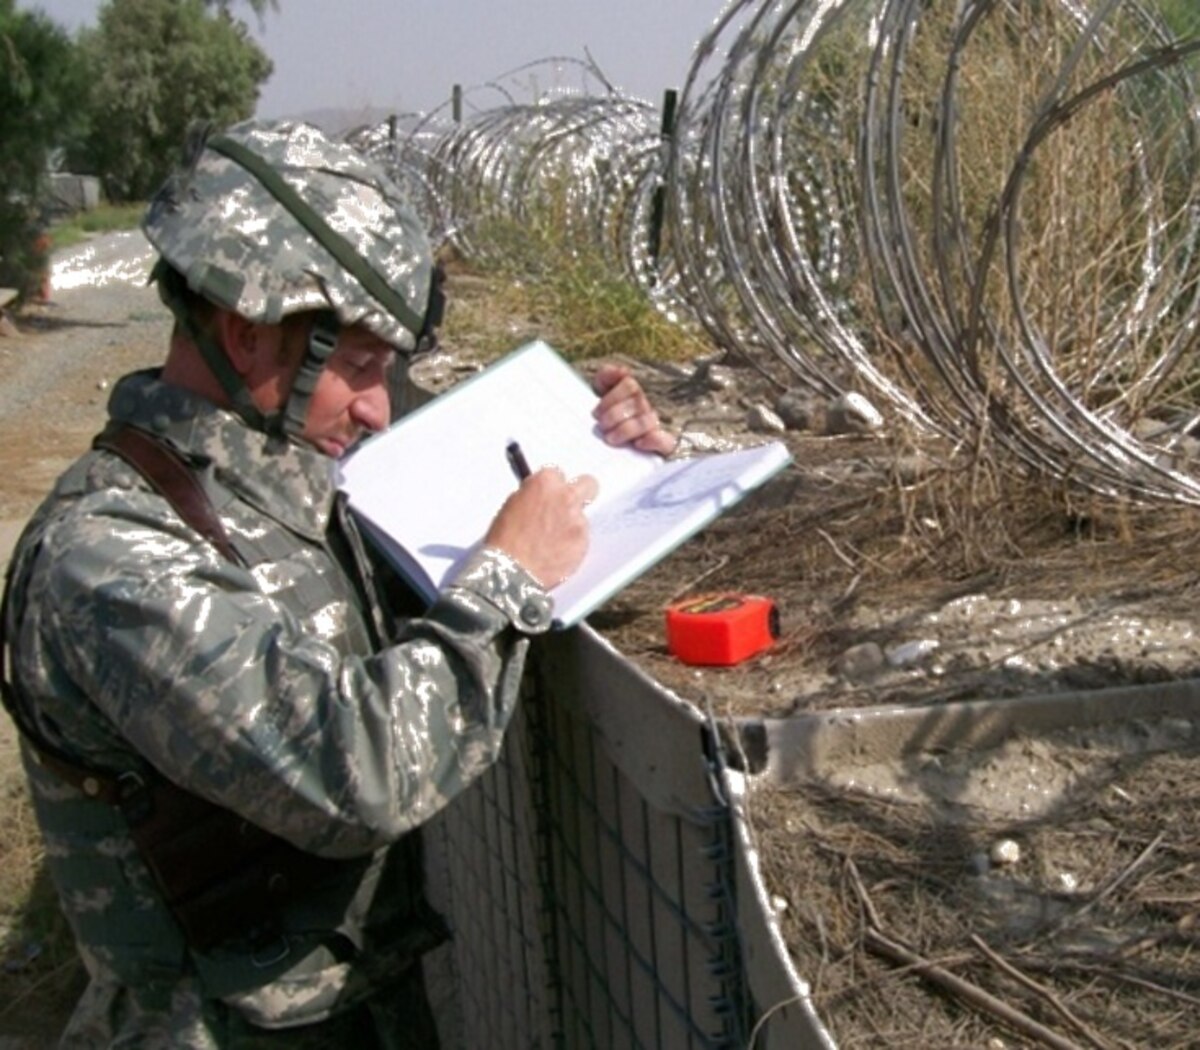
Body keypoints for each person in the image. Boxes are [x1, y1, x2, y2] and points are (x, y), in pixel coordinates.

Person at [0, 119, 677, 1048]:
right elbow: (354, 773)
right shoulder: (113, 556)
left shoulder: (285, 484)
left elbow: (443, 574)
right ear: (246, 334)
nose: (377, 405)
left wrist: (607, 455)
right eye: (358, 367)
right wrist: (510, 574)